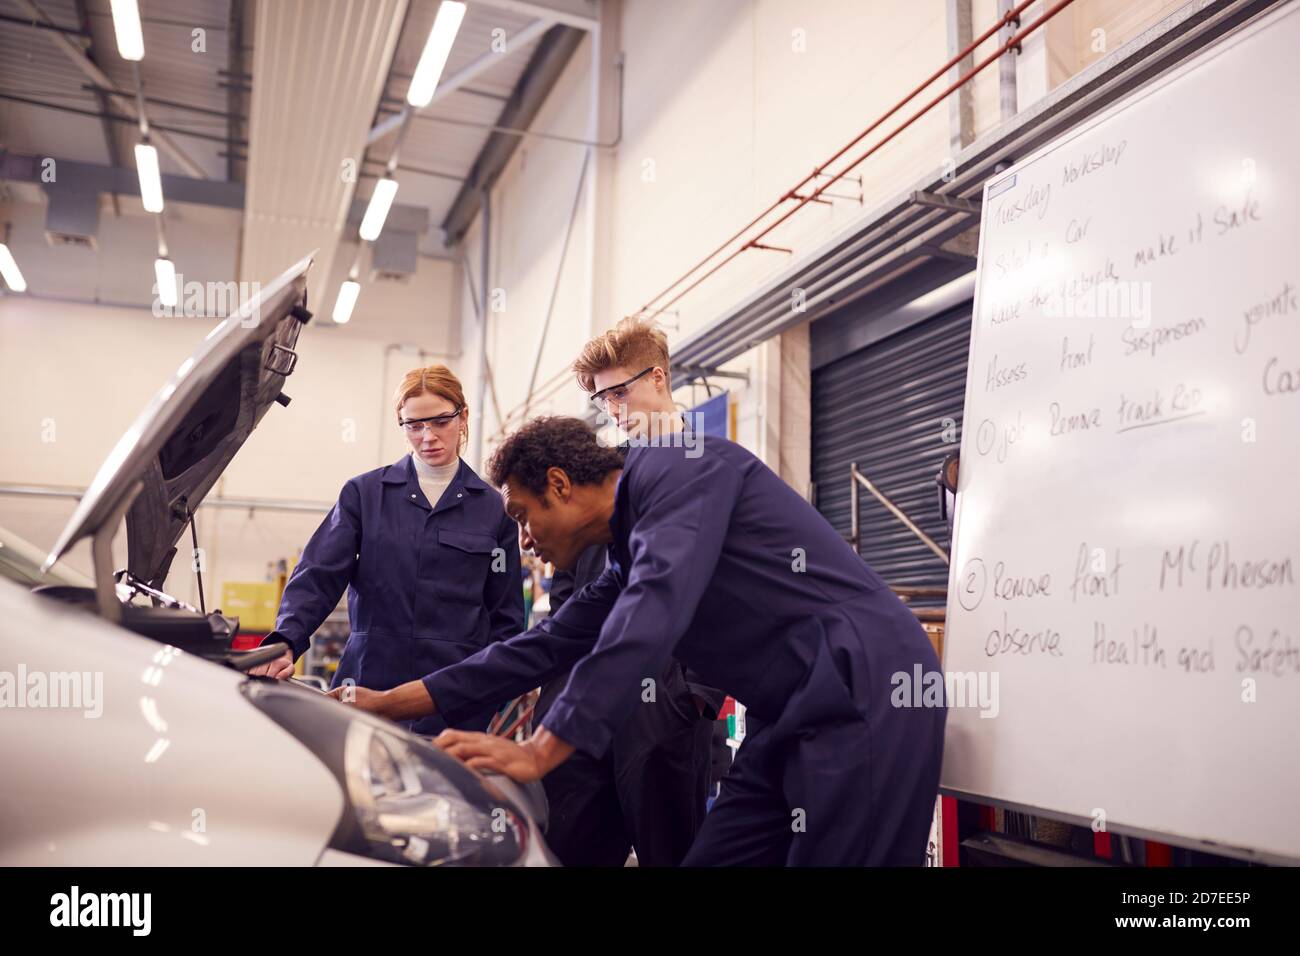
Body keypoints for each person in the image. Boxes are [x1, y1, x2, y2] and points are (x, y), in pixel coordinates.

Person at [331, 415, 946, 865]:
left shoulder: (679, 469)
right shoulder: (625, 557)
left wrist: (544, 748)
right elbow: (538, 648)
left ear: (560, 483)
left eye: (521, 516)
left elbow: (659, 602)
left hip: (863, 687)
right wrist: (383, 702)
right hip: (784, 714)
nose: (521, 541)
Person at [249, 365, 523, 737]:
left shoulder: (494, 510)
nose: (428, 436)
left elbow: (506, 619)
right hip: (366, 689)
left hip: (454, 703)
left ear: (463, 417)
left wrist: (487, 694)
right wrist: (284, 641)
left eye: (441, 421)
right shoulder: (364, 495)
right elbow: (318, 576)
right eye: (413, 425)